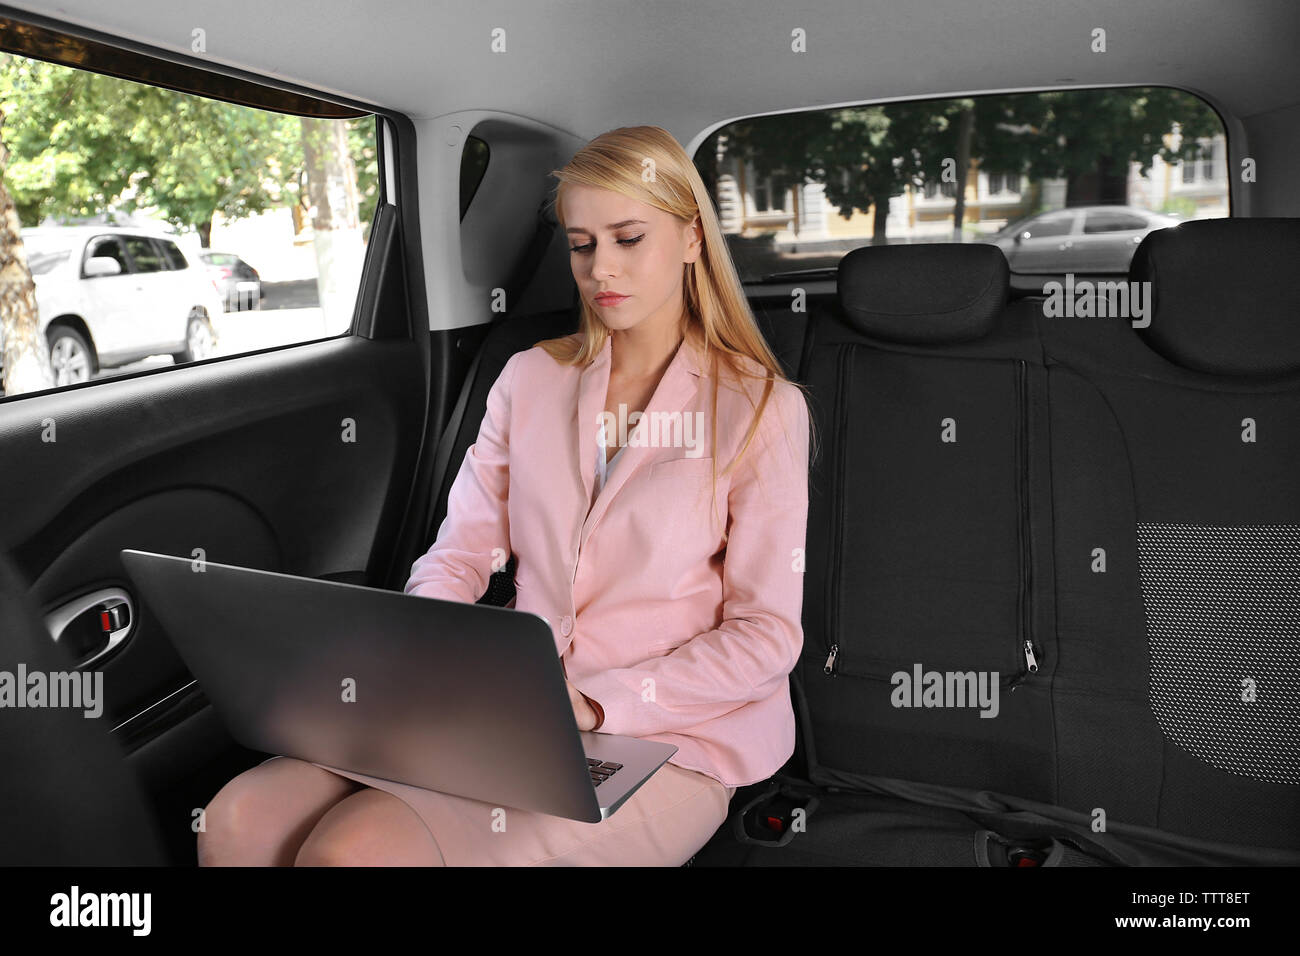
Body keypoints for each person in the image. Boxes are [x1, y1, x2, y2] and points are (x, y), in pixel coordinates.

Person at [196, 125, 815, 866]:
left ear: (690, 238)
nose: (599, 268)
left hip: (671, 736)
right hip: (503, 710)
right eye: (582, 244)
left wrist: (595, 701)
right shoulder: (531, 378)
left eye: (628, 238)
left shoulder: (760, 408)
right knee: (236, 820)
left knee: (354, 850)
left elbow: (765, 635)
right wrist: (430, 649)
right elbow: (460, 551)